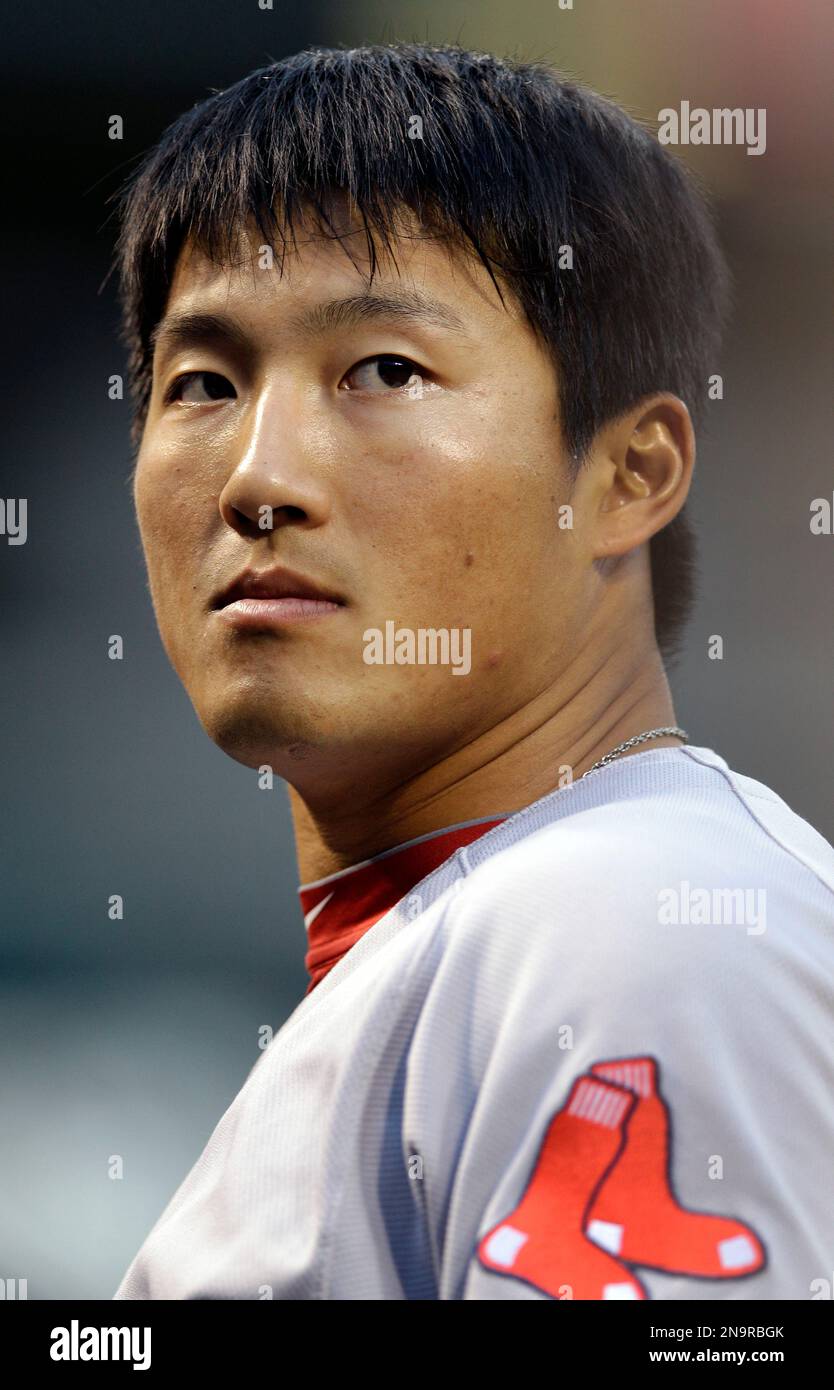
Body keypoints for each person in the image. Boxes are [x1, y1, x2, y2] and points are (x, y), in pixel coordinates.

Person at [110, 42, 834, 1300]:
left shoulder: (642, 929)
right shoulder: (481, 943)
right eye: (204, 382)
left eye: (385, 370)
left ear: (629, 476)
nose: (256, 479)